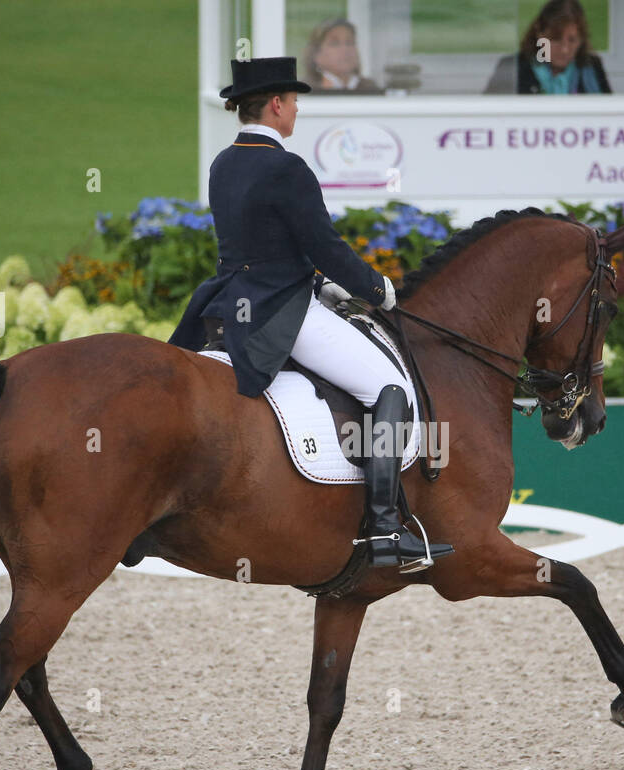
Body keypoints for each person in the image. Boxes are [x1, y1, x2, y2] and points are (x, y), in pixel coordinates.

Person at [168, 57, 452, 572]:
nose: (296, 110)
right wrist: (377, 289)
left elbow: (264, 244)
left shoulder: (224, 162)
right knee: (390, 389)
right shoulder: (286, 167)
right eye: (294, 101)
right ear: (276, 104)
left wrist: (321, 285)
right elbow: (324, 244)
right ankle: (385, 527)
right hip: (280, 310)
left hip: (229, 302)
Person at [484, 0, 611, 94]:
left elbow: (610, 116)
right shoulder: (512, 68)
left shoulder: (592, 67)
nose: (564, 49)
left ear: (582, 39)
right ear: (539, 33)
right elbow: (489, 117)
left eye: (572, 40)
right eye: (555, 39)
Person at [303, 18, 382, 92]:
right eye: (335, 43)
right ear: (316, 55)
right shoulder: (304, 90)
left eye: (350, 42)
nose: (345, 49)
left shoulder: (372, 89)